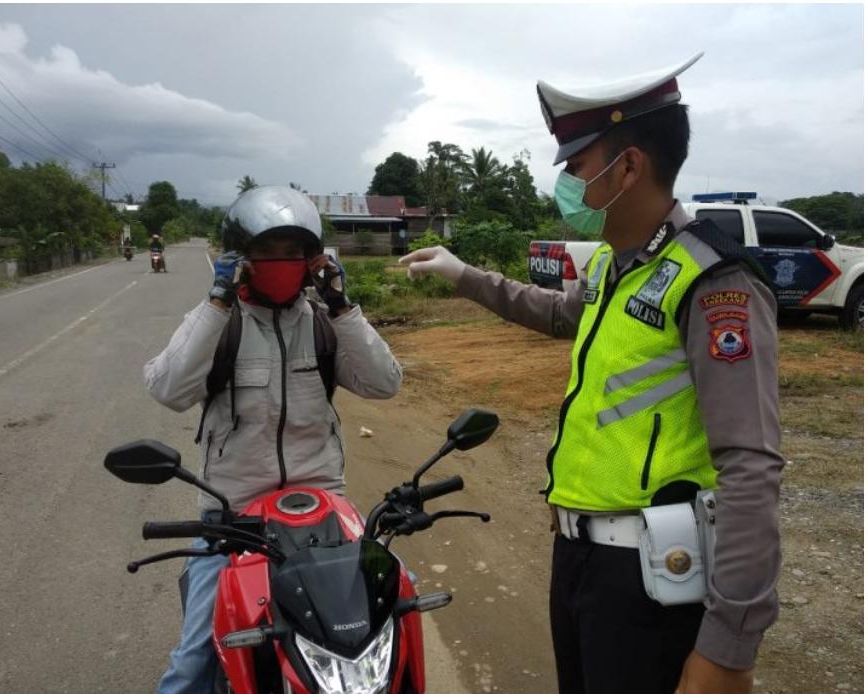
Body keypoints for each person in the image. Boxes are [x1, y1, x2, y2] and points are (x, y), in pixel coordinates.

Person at [401, 53, 783, 694]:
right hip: (578, 557)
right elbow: (557, 314)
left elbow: (751, 465)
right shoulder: (612, 264)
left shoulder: (715, 281)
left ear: (628, 167)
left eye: (576, 167)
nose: (567, 185)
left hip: (652, 578)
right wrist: (463, 275)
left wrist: (729, 646)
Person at [143, 185, 403, 693]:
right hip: (234, 518)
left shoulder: (327, 325)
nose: (283, 264)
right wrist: (216, 304)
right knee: (195, 659)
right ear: (241, 257)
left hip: (324, 515)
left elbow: (384, 383)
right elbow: (168, 389)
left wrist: (344, 307)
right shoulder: (219, 324)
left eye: (294, 253)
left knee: (391, 614)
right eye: (268, 252)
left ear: (313, 260)